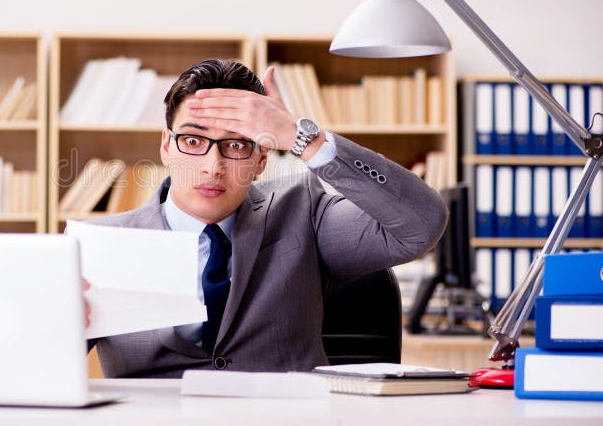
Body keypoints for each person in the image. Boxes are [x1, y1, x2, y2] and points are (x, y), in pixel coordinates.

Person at [81, 58, 448, 378]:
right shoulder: (101, 245)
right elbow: (34, 370)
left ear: (261, 159)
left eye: (237, 144)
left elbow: (422, 223)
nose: (213, 167)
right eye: (193, 141)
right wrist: (52, 328)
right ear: (166, 147)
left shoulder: (304, 213)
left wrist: (304, 139)